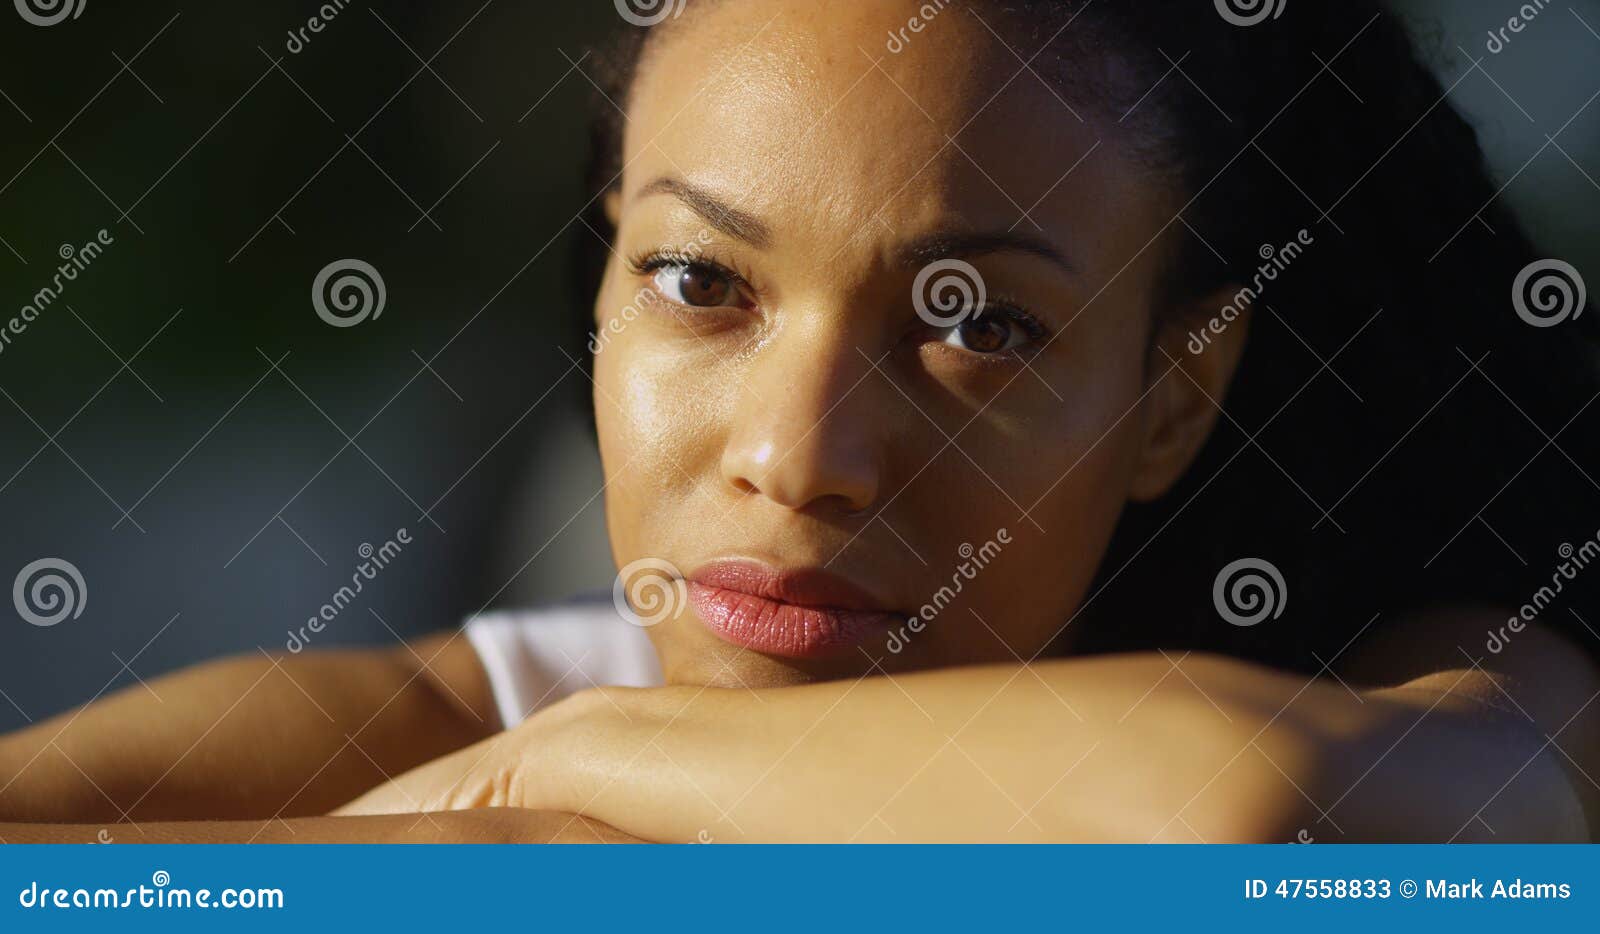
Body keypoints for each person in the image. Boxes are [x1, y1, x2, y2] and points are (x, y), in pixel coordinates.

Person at [4, 0, 1598, 843]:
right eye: (701, 279)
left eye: (973, 321)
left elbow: (1249, 817)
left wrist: (533, 796)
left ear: (1173, 392)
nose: (799, 455)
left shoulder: (1466, 671)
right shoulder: (543, 697)